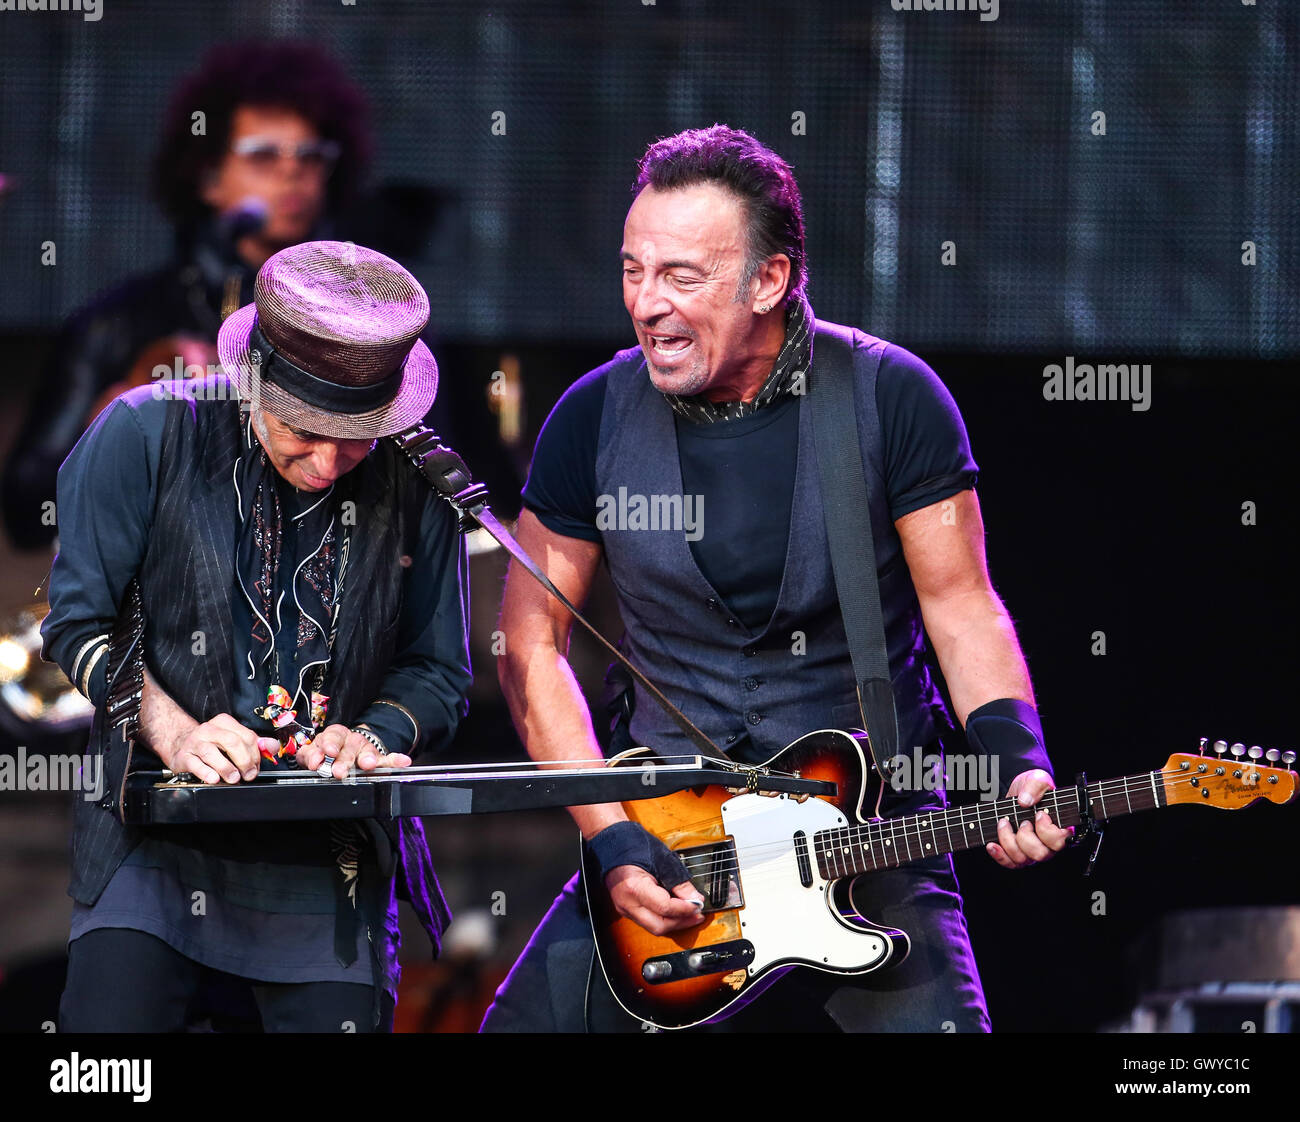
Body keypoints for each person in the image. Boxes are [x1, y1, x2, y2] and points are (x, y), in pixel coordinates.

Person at [481, 125, 1072, 1033]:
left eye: (682, 275)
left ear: (770, 280)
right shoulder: (591, 416)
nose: (646, 303)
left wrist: (1012, 757)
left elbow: (961, 605)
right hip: (668, 843)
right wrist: (613, 838)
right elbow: (531, 644)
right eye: (633, 271)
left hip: (869, 837)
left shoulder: (892, 396)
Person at [42, 240, 472, 1033]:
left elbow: (436, 670)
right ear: (254, 381)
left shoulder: (419, 481)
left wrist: (370, 733)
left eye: (358, 435)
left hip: (327, 862)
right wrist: (172, 730)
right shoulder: (145, 431)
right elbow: (77, 623)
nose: (330, 460)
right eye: (305, 429)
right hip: (154, 837)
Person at [3, 40, 370, 550]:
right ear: (208, 177)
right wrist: (101, 432)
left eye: (311, 156)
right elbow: (28, 513)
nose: (292, 171)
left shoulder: (368, 322)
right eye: (263, 155)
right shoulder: (119, 321)